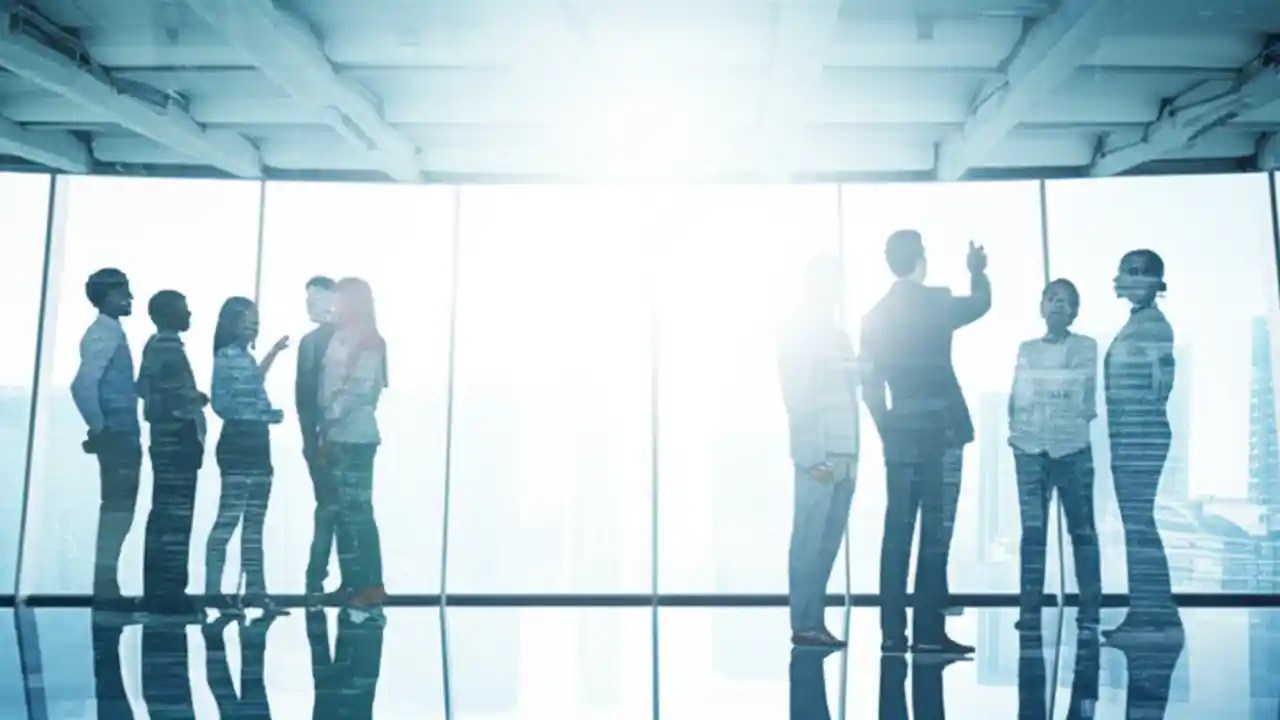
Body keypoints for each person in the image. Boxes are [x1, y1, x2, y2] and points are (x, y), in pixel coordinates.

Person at [861, 230, 989, 656]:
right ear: (921, 258)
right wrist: (977, 271)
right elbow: (981, 303)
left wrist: (888, 427)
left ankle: (892, 634)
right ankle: (929, 633)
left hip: (901, 430)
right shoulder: (936, 302)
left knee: (896, 534)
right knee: (936, 533)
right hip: (942, 429)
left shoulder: (874, 317)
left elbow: (870, 386)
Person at [1008, 279, 1101, 635]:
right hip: (1029, 450)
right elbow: (1020, 396)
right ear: (1041, 307)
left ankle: (1090, 612)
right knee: (1032, 534)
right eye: (1051, 299)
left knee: (1083, 532)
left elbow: (1077, 390)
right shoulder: (1027, 348)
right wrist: (1053, 390)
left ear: (1075, 310)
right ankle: (1029, 610)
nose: (1057, 304)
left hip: (1072, 449)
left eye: (1065, 300)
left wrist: (1043, 389)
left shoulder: (1085, 346)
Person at [777, 255, 858, 648]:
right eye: (828, 281)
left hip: (845, 454)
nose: (834, 290)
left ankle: (815, 621)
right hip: (820, 454)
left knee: (826, 544)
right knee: (809, 541)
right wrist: (813, 456)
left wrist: (852, 457)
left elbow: (849, 392)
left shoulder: (839, 335)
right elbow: (797, 395)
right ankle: (805, 622)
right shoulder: (798, 330)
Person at [1104, 249, 1178, 640]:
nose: (1126, 277)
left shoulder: (1152, 326)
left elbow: (1161, 382)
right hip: (1131, 435)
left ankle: (1152, 615)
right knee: (1138, 525)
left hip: (1140, 435)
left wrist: (1137, 422)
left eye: (1135, 271)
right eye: (1124, 270)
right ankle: (1150, 611)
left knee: (1139, 526)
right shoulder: (1138, 323)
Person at [206, 296, 290, 615]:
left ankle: (255, 590)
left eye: (256, 321)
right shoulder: (225, 358)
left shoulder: (244, 358)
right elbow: (222, 403)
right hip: (239, 443)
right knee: (229, 518)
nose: (253, 327)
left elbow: (255, 381)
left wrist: (273, 352)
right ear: (231, 324)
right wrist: (259, 414)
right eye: (247, 321)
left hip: (257, 443)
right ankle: (213, 591)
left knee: (254, 523)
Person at [71, 268, 141, 602]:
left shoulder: (110, 331)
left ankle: (107, 582)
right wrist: (101, 428)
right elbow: (82, 385)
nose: (130, 298)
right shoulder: (104, 333)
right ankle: (106, 584)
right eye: (123, 291)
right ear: (108, 295)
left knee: (119, 508)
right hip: (119, 435)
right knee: (117, 509)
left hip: (121, 433)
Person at [136, 290, 208, 614]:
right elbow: (175, 398)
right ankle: (170, 595)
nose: (189, 314)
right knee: (175, 520)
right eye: (183, 309)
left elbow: (143, 387)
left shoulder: (154, 346)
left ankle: (159, 591)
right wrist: (196, 400)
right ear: (166, 315)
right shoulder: (168, 349)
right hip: (177, 441)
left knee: (163, 516)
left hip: (165, 441)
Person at [321, 278, 389, 608]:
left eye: (342, 300)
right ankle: (352, 582)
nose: (337, 306)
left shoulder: (369, 341)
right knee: (345, 514)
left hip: (355, 436)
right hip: (338, 434)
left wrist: (330, 419)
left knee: (358, 512)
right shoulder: (341, 337)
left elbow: (359, 389)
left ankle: (371, 585)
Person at [298, 276, 340, 599]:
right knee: (330, 507)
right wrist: (310, 442)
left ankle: (318, 577)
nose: (311, 305)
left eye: (318, 298)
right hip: (323, 438)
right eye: (309, 299)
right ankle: (316, 576)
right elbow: (303, 397)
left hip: (338, 436)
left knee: (333, 508)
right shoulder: (310, 342)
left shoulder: (341, 340)